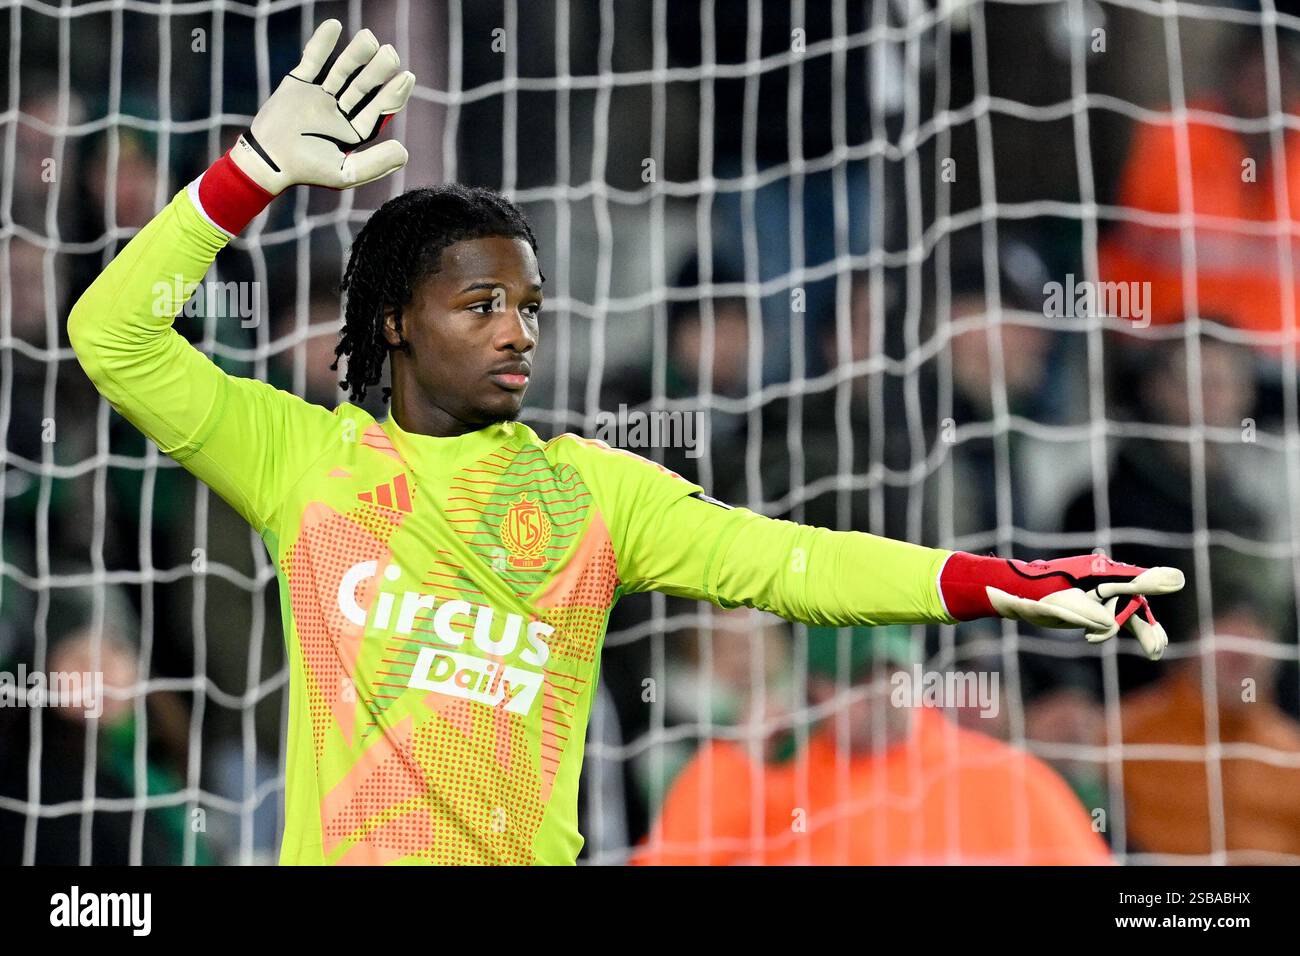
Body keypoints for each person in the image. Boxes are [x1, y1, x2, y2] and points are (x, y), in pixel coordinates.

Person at [67, 20, 1183, 865]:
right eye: (481, 305)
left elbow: (795, 563)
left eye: (531, 306)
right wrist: (248, 171)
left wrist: (997, 582)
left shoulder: (591, 494)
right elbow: (110, 335)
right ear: (396, 320)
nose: (518, 332)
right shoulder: (302, 457)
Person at [631, 626, 1113, 865]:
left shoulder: (1008, 780)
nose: (882, 695)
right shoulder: (778, 791)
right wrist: (739, 759)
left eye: (892, 673)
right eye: (860, 680)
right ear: (817, 691)